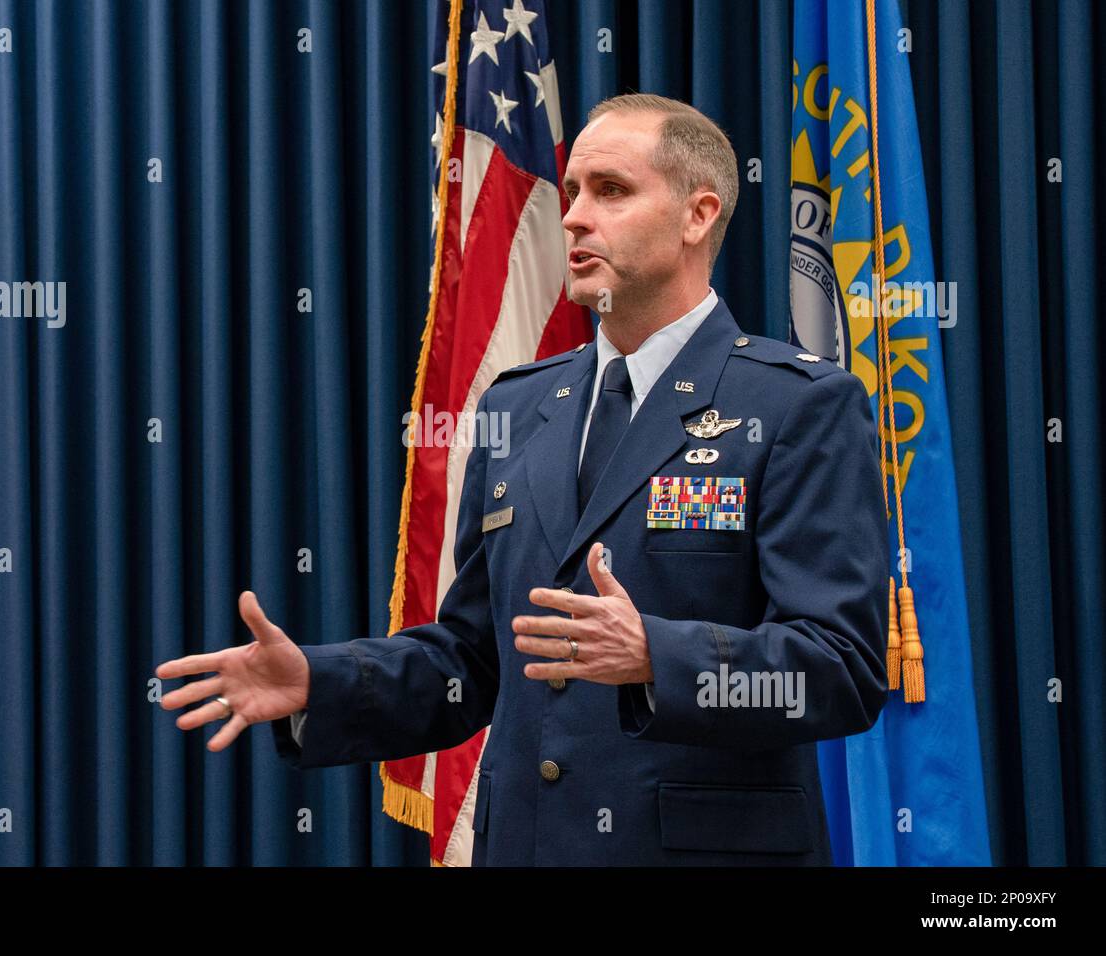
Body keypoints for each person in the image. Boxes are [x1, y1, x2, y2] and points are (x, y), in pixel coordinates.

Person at [156, 94, 889, 865]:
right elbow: (471, 660)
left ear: (697, 215)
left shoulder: (796, 404)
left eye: (611, 191)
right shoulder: (520, 404)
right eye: (571, 193)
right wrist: (321, 681)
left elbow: (840, 669)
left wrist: (657, 656)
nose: (574, 218)